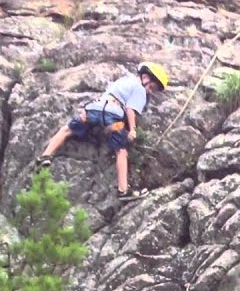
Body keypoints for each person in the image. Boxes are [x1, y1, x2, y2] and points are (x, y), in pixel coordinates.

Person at [35, 62, 170, 203]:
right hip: (112, 116)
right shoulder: (140, 89)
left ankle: (45, 156)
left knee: (67, 129)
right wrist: (132, 129)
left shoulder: (123, 81)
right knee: (121, 151)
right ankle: (123, 190)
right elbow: (130, 109)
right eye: (152, 87)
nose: (150, 91)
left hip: (94, 109)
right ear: (145, 77)